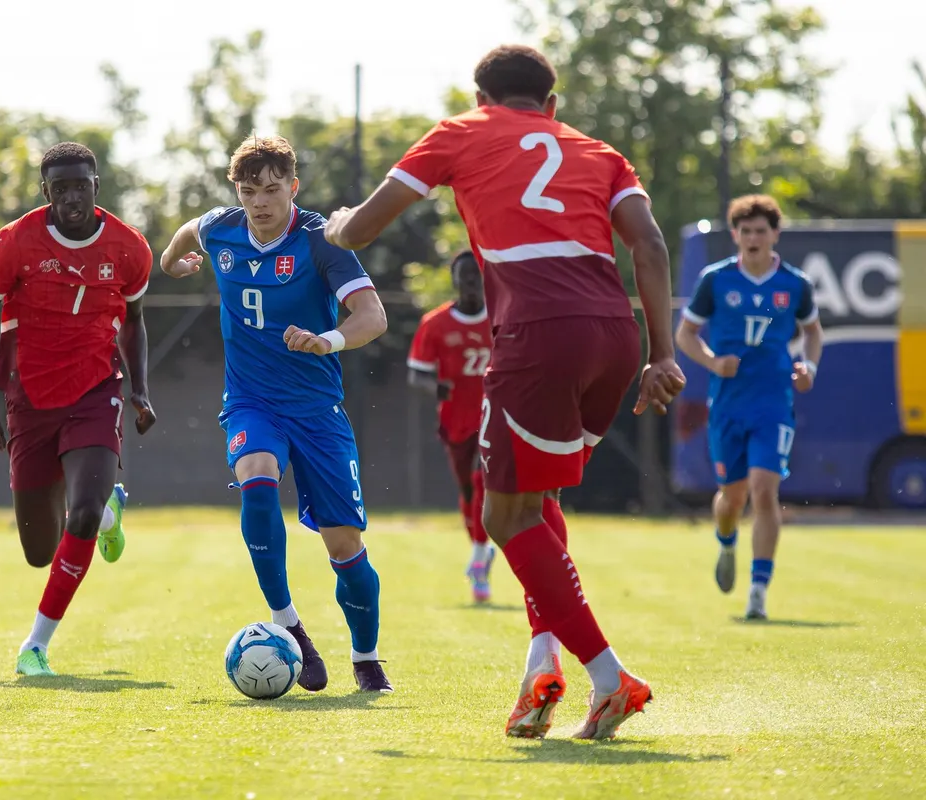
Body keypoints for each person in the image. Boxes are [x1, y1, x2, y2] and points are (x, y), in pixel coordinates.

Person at [323, 45, 686, 739]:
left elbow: (363, 228)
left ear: (480, 99)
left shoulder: (459, 132)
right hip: (615, 337)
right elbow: (650, 247)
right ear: (551, 105)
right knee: (537, 502)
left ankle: (609, 677)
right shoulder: (601, 153)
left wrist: (339, 224)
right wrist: (662, 354)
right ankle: (541, 669)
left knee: (503, 515)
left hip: (538, 334)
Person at [159, 135, 393, 693]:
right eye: (248, 192)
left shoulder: (321, 241)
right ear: (236, 193)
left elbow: (373, 316)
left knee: (345, 548)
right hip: (251, 402)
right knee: (258, 481)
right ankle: (290, 627)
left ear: (293, 186)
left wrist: (327, 340)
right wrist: (171, 262)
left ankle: (366, 658)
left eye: (271, 189)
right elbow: (188, 232)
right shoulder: (222, 228)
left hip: (316, 410)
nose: (259, 202)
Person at [0, 141, 157, 677]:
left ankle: (35, 646)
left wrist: (139, 388)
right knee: (39, 551)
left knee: (82, 514)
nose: (72, 197)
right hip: (28, 399)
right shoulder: (16, 242)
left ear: (97, 186)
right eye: (60, 187)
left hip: (96, 390)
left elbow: (135, 321)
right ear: (45, 191)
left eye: (81, 185)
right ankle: (111, 512)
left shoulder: (129, 248)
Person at [676, 194, 822, 621]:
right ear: (736, 235)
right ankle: (726, 543)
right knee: (732, 497)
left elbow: (813, 332)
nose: (753, 238)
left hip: (773, 402)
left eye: (761, 230)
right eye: (746, 231)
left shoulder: (794, 284)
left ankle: (758, 591)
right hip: (727, 405)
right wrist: (712, 363)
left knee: (763, 489)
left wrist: (809, 367)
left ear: (775, 234)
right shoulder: (716, 279)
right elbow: (685, 334)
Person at [406, 251, 495, 602]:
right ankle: (480, 549)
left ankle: (479, 558)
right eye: (465, 275)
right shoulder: (435, 323)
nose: (471, 281)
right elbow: (417, 374)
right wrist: (435, 387)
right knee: (468, 490)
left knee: (482, 478)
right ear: (454, 279)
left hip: (495, 417)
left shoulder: (503, 317)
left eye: (477, 274)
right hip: (456, 419)